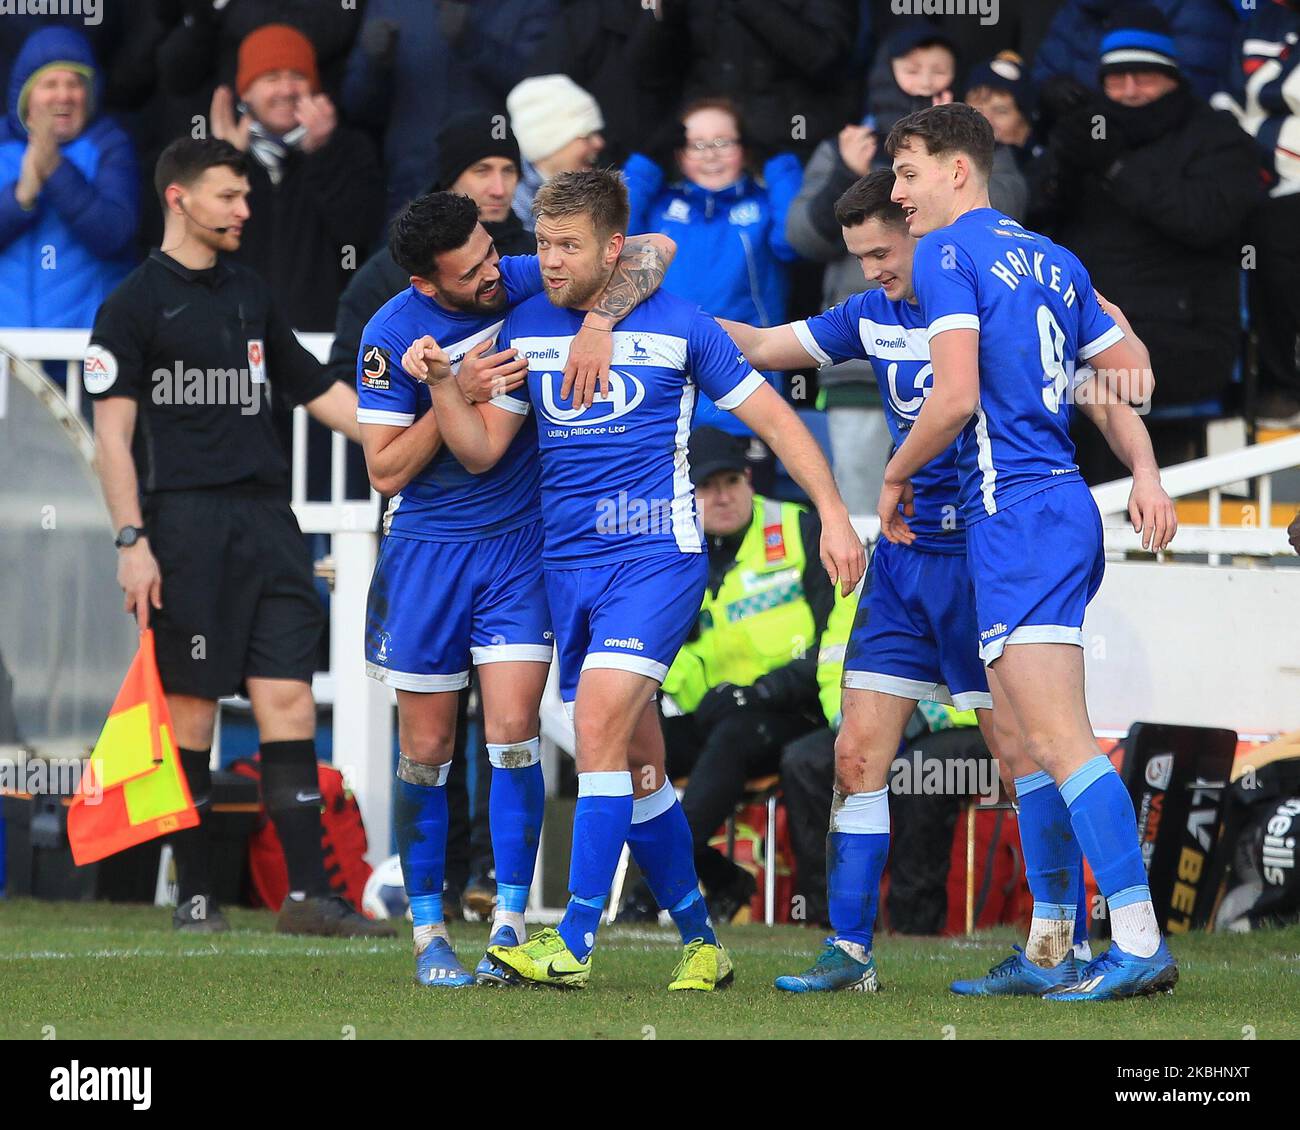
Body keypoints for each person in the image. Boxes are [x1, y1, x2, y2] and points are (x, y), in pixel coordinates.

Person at [404, 169, 864, 990]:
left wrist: (831, 509)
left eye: (567, 246)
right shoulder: (522, 318)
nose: (547, 261)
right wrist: (444, 384)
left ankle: (575, 940)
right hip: (566, 571)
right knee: (641, 768)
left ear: (612, 249)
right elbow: (481, 450)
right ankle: (701, 941)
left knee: (599, 730)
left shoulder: (683, 326)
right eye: (541, 244)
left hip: (656, 559)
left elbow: (774, 417)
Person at [723, 168, 1176, 994]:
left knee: (1023, 751)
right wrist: (658, 319)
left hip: (986, 548)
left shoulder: (985, 293)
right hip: (903, 563)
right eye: (858, 257)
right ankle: (850, 954)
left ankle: (1053, 945)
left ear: (923, 233)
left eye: (883, 253)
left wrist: (1145, 469)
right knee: (858, 754)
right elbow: (757, 345)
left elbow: (1110, 386)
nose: (874, 271)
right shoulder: (870, 313)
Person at [882, 101, 1177, 1001]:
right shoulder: (1054, 257)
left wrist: (891, 479)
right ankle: (1052, 944)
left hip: (1016, 511)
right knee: (1020, 739)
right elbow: (1128, 378)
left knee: (1059, 738)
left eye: (908, 173)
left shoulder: (947, 251)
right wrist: (1147, 470)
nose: (899, 197)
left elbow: (957, 396)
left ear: (958, 171)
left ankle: (1137, 942)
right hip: (1050, 509)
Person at [359, 189, 677, 986]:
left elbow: (655, 248)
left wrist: (599, 322)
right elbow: (384, 469)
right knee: (427, 751)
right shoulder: (392, 333)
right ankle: (429, 932)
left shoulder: (524, 278)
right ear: (429, 285)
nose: (495, 275)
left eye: (493, 253)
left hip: (520, 553)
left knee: (513, 736)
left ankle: (507, 922)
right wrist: (451, 390)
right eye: (471, 272)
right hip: (429, 555)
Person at [86, 137, 385, 939]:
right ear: (179, 198)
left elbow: (322, 393)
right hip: (184, 524)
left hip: (269, 521)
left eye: (246, 196)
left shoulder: (253, 293)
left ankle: (311, 898)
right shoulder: (132, 305)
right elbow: (110, 438)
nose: (244, 210)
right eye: (228, 195)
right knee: (190, 713)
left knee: (286, 696)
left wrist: (414, 439)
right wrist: (130, 539)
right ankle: (195, 897)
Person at [620, 426, 834, 924]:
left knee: (733, 739)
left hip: (794, 711)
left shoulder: (801, 530)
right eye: (707, 486)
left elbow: (836, 639)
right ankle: (720, 877)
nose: (722, 496)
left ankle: (652, 890)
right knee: (627, 754)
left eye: (732, 481)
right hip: (714, 711)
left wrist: (762, 689)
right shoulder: (679, 555)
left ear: (749, 481)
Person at [1036, 6, 1261, 475]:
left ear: (1173, 77)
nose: (1130, 92)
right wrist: (1059, 167)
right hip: (1087, 330)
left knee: (1097, 382)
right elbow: (1037, 229)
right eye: (1116, 80)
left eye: (1144, 77)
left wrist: (1119, 168)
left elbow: (1206, 220)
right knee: (1017, 368)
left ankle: (1118, 526)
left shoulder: (1216, 136)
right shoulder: (1089, 133)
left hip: (1186, 335)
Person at [624, 97, 803, 486]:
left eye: (724, 142)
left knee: (750, 520)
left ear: (744, 147)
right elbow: (616, 228)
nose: (711, 155)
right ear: (678, 153)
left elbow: (792, 241)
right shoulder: (659, 207)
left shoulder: (763, 204)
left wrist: (778, 160)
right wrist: (646, 161)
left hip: (746, 396)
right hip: (665, 400)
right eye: (697, 144)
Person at [324, 112, 533, 388]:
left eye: (508, 171)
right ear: (449, 178)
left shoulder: (538, 253)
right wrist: (446, 391)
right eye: (482, 170)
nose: (499, 189)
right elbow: (352, 371)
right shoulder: (389, 271)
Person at [209, 24, 385, 333]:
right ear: (246, 91)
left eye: (298, 76)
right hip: (233, 339)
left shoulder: (350, 148)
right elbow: (202, 244)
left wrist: (322, 154)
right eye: (271, 77)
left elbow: (358, 232)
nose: (287, 90)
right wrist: (228, 165)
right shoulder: (218, 156)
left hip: (324, 338)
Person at [343, 0, 554, 217]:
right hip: (410, 182)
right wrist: (373, 67)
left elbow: (542, 93)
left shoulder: (529, 5)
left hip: (492, 188)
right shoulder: (391, 4)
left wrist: (474, 44)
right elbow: (358, 109)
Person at [0, 25, 138, 329]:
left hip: (86, 352)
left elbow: (115, 234)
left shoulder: (109, 144)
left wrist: (55, 169)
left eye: (75, 83)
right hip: (6, 357)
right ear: (25, 96)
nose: (64, 95)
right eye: (50, 83)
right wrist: (20, 197)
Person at [1214, 0, 1300, 427]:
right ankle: (1264, 386)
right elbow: (1227, 96)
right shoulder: (1259, 21)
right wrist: (1236, 151)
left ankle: (1282, 381)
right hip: (1254, 181)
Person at [507, 74, 606, 232]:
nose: (599, 143)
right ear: (548, 143)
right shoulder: (511, 207)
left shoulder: (592, 192)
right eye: (586, 135)